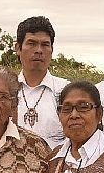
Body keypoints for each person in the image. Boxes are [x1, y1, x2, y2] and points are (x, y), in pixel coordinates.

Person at [14, 16, 70, 148]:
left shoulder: (66, 91)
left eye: (45, 44)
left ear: (52, 50)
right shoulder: (6, 90)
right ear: (18, 48)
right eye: (31, 43)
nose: (39, 50)